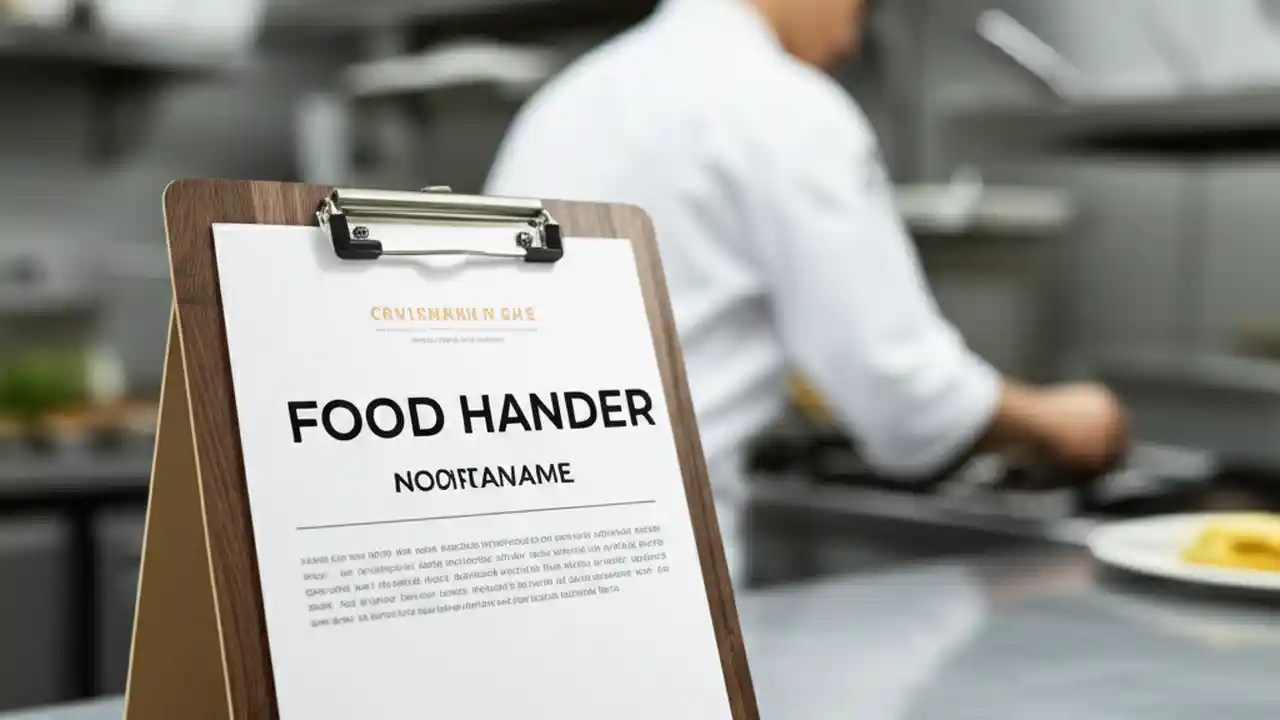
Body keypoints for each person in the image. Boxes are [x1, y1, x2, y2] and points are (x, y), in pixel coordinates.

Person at [486, 0, 1129, 578]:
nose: (850, 41)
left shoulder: (568, 100)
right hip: (653, 579)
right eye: (860, 7)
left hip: (512, 559)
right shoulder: (783, 104)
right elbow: (902, 397)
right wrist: (1060, 424)